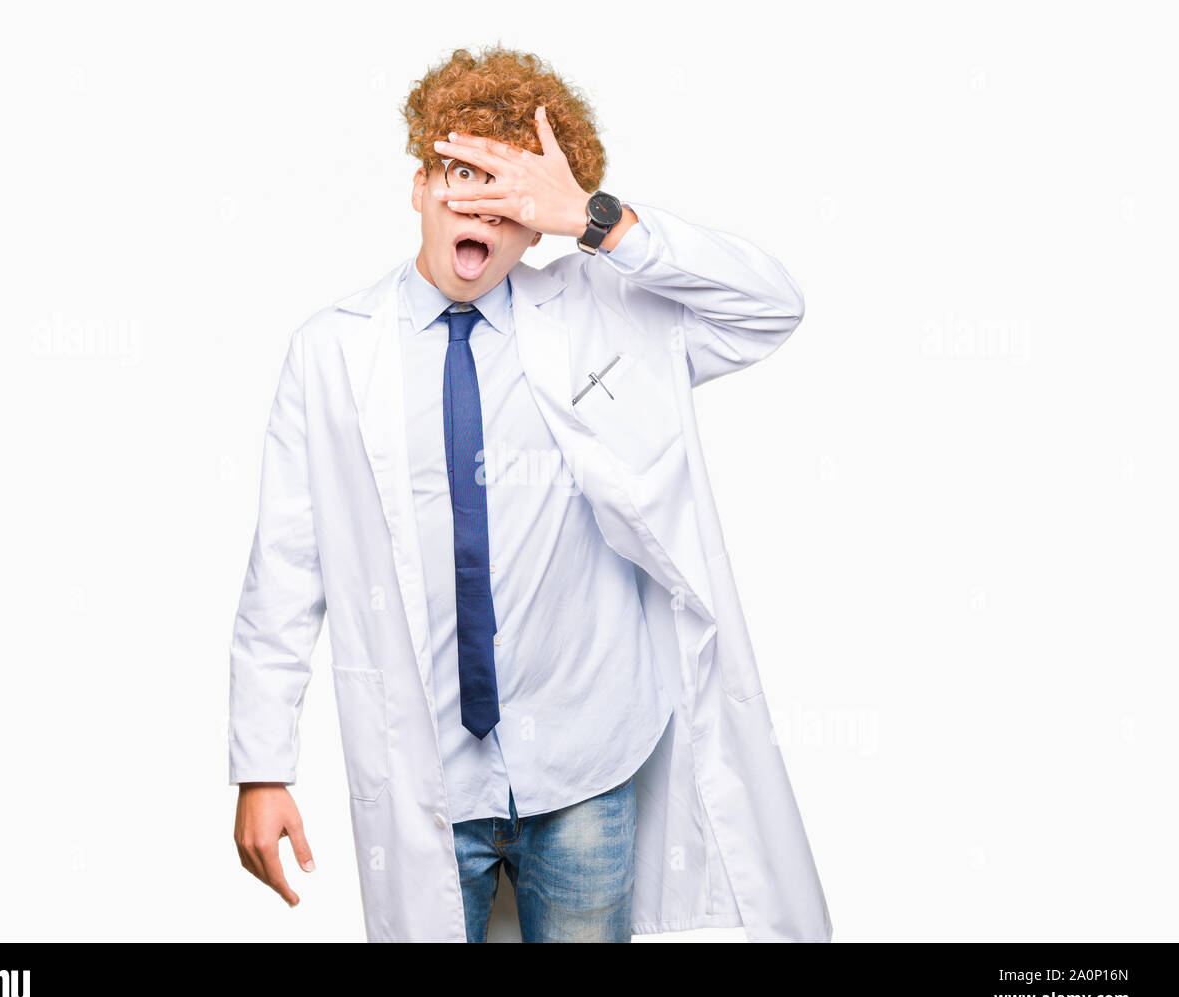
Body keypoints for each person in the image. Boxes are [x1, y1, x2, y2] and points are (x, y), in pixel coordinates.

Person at [229, 45, 832, 943]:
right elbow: (285, 566)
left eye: (510, 191)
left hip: (587, 765)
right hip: (424, 767)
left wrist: (596, 219)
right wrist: (262, 767)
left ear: (538, 218)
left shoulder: (602, 316)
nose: (478, 205)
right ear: (419, 186)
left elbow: (769, 308)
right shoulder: (332, 353)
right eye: (459, 173)